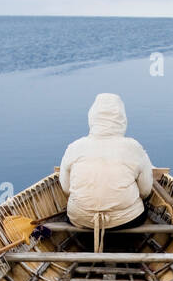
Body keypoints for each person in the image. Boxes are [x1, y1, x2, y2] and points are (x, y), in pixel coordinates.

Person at [59, 93, 153, 249]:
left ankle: (87, 245)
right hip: (127, 221)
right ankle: (126, 247)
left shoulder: (74, 147)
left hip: (81, 220)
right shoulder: (134, 148)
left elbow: (66, 189)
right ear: (122, 120)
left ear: (92, 118)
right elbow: (145, 191)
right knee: (144, 206)